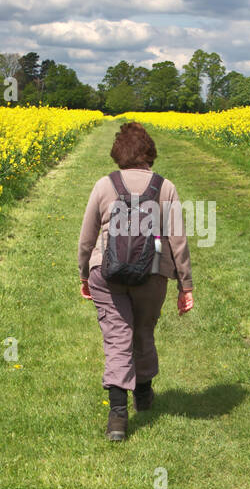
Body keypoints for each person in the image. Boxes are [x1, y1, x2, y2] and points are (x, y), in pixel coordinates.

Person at [78, 122, 194, 441]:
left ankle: (117, 417)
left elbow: (87, 238)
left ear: (119, 154)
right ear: (149, 153)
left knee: (117, 337)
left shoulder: (104, 185)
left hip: (107, 271)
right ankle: (143, 395)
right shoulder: (164, 187)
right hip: (152, 272)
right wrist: (186, 285)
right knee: (143, 330)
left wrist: (85, 274)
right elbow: (178, 241)